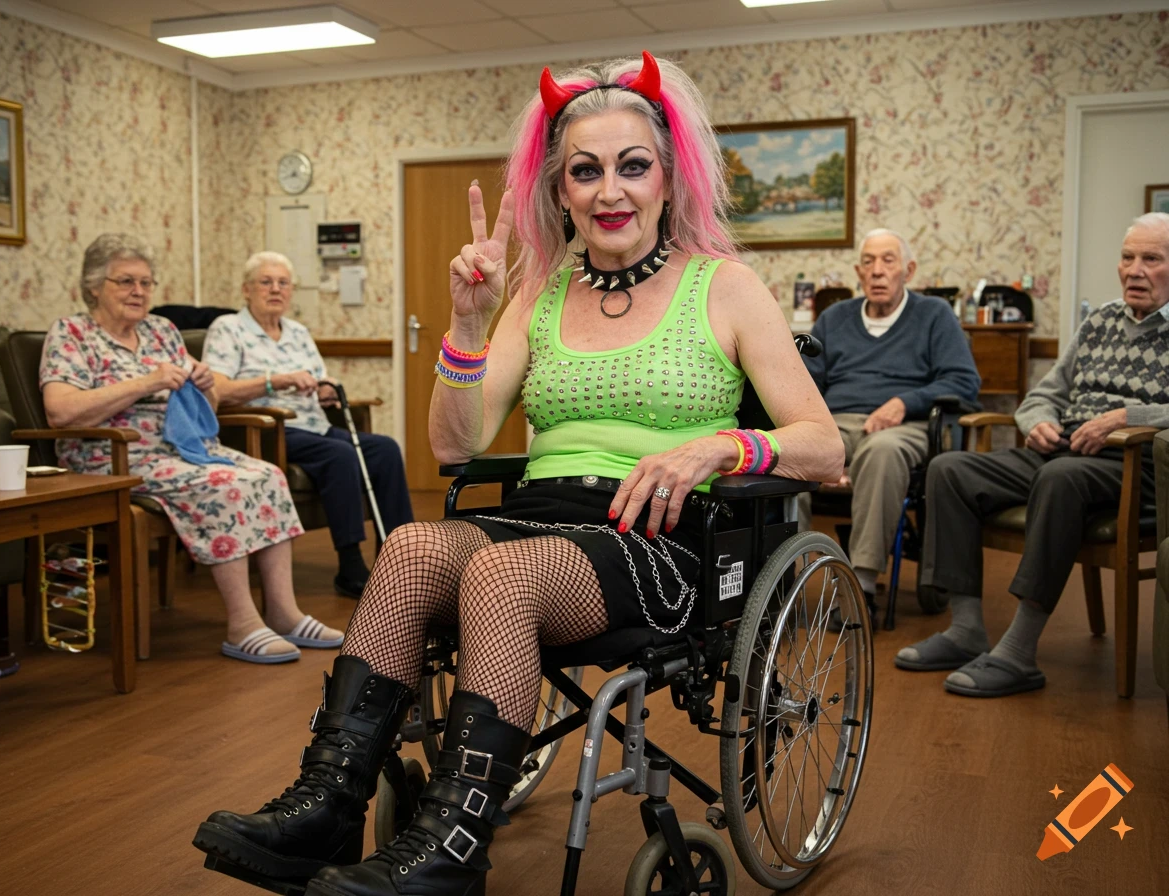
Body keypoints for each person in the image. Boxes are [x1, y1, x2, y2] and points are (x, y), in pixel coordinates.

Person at [193, 52, 841, 896]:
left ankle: (453, 847)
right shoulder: (540, 290)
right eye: (585, 171)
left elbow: (824, 447)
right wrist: (467, 325)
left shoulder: (726, 287)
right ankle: (328, 803)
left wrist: (720, 447)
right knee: (412, 547)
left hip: (658, 532)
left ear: (668, 178)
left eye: (632, 166)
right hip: (539, 513)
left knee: (501, 574)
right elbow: (454, 445)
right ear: (560, 191)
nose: (610, 191)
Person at [896, 212, 1169, 696]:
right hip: (1065, 449)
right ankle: (965, 629)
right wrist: (1037, 421)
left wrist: (1127, 417)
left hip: (1134, 465)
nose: (1134, 270)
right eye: (1128, 257)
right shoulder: (1100, 321)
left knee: (1060, 478)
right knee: (949, 469)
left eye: (1151, 259)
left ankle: (1019, 652)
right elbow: (1046, 392)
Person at [40, 233, 343, 664]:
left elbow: (207, 407)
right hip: (112, 457)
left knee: (269, 475)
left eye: (146, 282)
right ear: (93, 286)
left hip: (183, 448)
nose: (138, 291)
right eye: (125, 281)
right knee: (224, 484)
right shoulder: (71, 333)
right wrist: (146, 382)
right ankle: (242, 624)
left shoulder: (161, 331)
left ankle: (284, 613)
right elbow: (60, 411)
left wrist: (205, 386)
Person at [202, 252, 414, 597]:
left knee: (385, 449)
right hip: (265, 429)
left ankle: (401, 559)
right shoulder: (228, 329)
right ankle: (350, 566)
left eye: (283, 283)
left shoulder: (297, 332)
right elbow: (219, 390)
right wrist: (275, 382)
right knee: (340, 455)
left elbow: (318, 379)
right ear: (246, 289)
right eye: (266, 282)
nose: (276, 289)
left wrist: (326, 390)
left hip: (314, 424)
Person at [801, 228, 980, 615]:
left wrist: (904, 402)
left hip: (906, 426)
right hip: (840, 423)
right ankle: (785, 581)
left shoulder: (934, 315)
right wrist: (814, 440)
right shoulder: (834, 319)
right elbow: (807, 384)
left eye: (888, 261)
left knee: (880, 452)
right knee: (792, 452)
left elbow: (964, 382)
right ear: (858, 272)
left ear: (908, 270)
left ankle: (862, 585)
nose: (877, 271)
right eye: (868, 262)